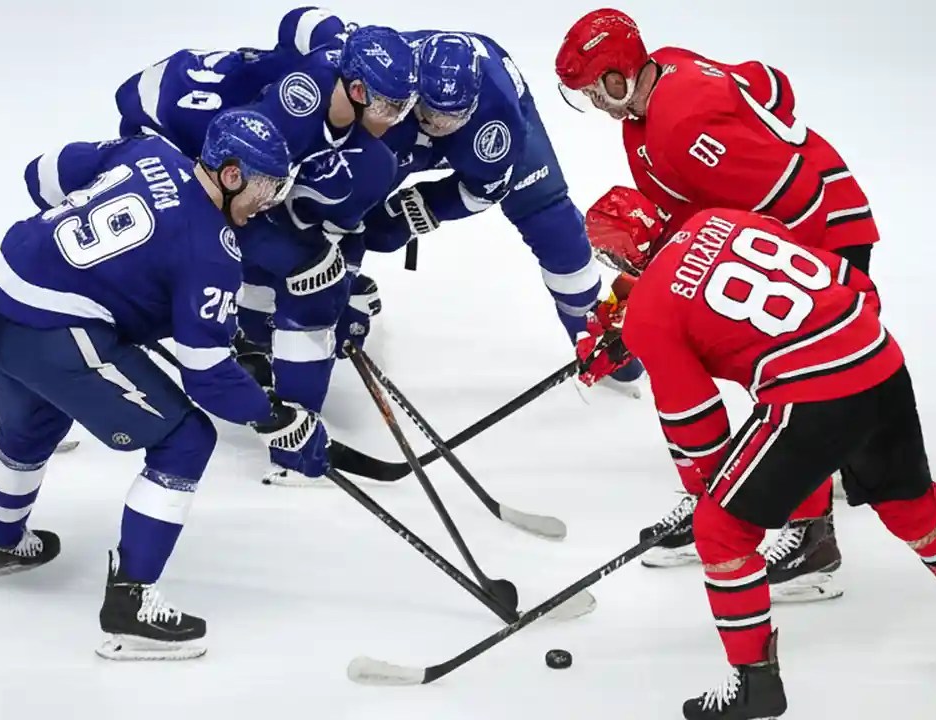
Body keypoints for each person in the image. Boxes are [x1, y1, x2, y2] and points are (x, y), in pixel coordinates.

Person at [575, 188, 936, 718]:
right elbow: (849, 281)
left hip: (811, 396)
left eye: (610, 257)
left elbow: (697, 423)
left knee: (721, 529)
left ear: (624, 252)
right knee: (915, 506)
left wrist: (711, 493)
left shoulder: (650, 310)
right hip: (878, 357)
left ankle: (754, 686)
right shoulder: (722, 215)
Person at [0, 109, 331, 660]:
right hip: (54, 334)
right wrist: (278, 420)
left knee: (32, 422)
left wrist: (103, 270)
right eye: (264, 187)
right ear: (230, 175)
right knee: (186, 440)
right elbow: (206, 376)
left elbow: (43, 174)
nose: (269, 202)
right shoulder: (212, 252)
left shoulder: (148, 151)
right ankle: (131, 605)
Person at [555, 7, 880, 597]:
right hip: (769, 237)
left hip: (822, 230)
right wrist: (629, 307)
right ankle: (718, 498)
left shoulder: (683, 118)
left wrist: (794, 282)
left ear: (619, 71)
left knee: (791, 375)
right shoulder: (647, 111)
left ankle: (814, 538)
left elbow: (800, 197)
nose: (597, 106)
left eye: (597, 88)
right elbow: (768, 83)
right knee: (684, 352)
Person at [117, 24, 417, 486]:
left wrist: (343, 287)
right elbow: (240, 208)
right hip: (166, 131)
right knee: (153, 262)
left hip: (227, 146)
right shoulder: (290, 116)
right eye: (389, 107)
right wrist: (327, 284)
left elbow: (298, 18)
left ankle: (252, 344)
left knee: (314, 266)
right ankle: (38, 372)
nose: (396, 120)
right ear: (356, 90)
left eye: (404, 107)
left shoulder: (360, 141)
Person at [360, 29, 646, 395]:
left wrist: (421, 208)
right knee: (340, 201)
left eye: (451, 119)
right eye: (433, 116)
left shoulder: (498, 114)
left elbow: (485, 189)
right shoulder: (384, 84)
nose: (439, 127)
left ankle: (601, 345)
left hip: (478, 128)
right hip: (399, 116)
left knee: (556, 231)